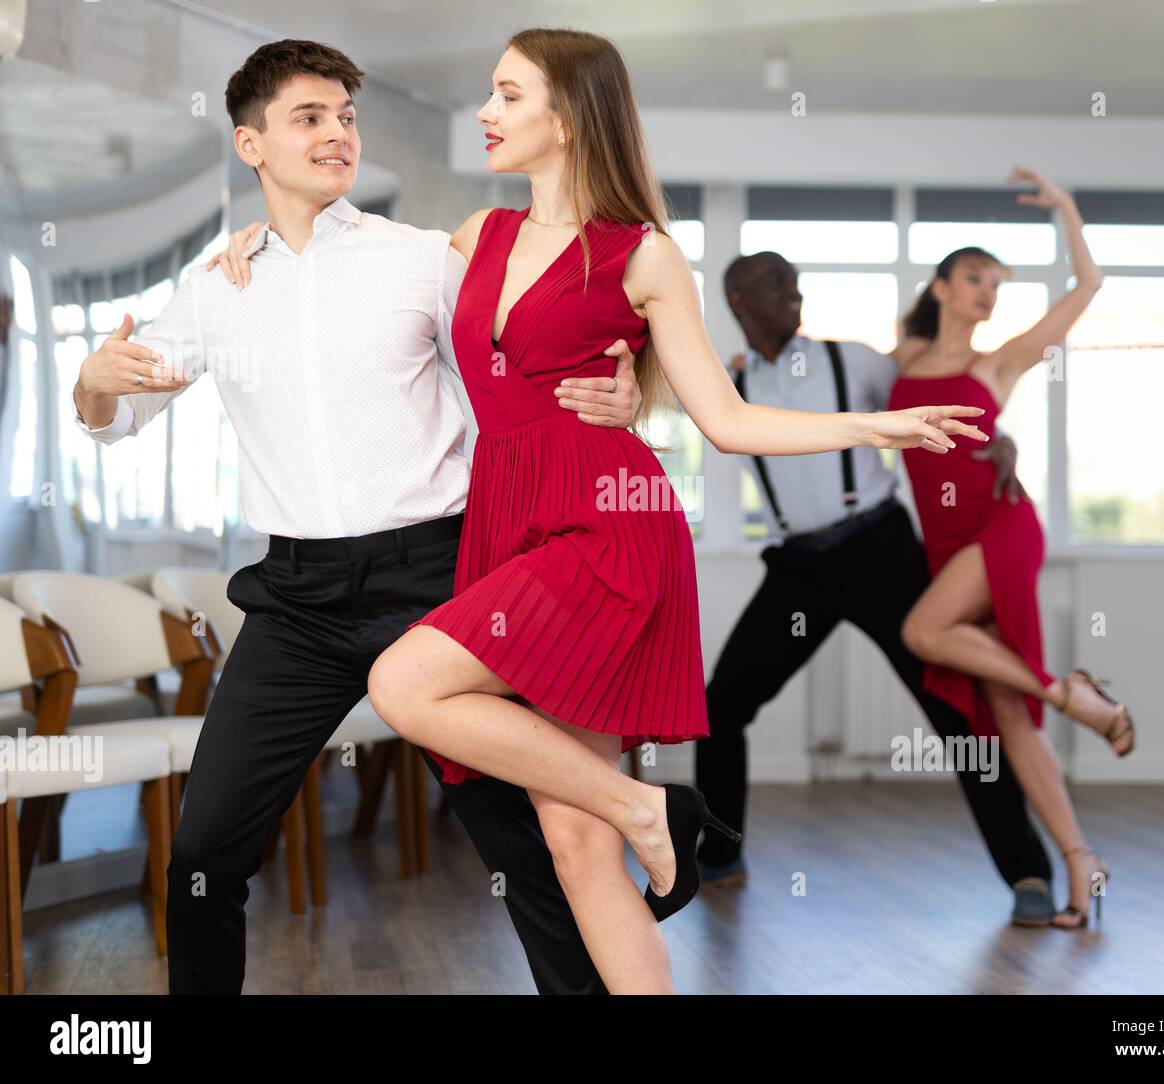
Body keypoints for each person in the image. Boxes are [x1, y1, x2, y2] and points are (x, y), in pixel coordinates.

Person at [324, 27, 983, 995]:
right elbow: (361, 259)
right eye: (489, 95)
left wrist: (877, 426)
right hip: (507, 525)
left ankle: (646, 808)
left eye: (508, 95)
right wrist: (258, 243)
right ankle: (640, 813)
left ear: (568, 115)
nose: (486, 113)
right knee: (575, 841)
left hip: (605, 532)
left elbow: (728, 418)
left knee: (404, 684)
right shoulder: (477, 235)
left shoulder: (644, 257)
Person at [72, 39, 647, 995]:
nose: (338, 133)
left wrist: (627, 398)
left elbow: (535, 370)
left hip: (437, 586)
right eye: (309, 118)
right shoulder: (217, 287)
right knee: (203, 858)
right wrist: (91, 384)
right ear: (250, 145)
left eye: (346, 115)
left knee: (524, 851)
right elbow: (114, 417)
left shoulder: (422, 261)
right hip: (294, 599)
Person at [695, 249, 1059, 927]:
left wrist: (998, 434)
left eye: (798, 284)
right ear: (740, 301)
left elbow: (945, 389)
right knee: (720, 707)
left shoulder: (857, 361)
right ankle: (721, 855)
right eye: (779, 286)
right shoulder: (728, 384)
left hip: (878, 550)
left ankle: (1028, 872)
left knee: (957, 714)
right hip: (797, 568)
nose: (795, 295)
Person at [888, 167, 1136, 929]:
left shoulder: (995, 364)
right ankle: (1079, 860)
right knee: (1006, 709)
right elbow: (822, 380)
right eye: (973, 278)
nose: (986, 292)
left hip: (1001, 528)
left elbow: (1087, 287)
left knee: (922, 632)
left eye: (995, 283)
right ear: (939, 288)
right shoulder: (895, 365)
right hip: (947, 544)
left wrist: (1066, 207)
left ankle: (1068, 693)